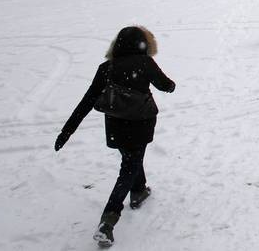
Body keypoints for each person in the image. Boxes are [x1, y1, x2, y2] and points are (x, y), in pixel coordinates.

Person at [55, 26, 176, 247]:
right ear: (143, 44)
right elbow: (166, 85)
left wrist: (67, 131)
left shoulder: (106, 69)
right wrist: (170, 85)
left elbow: (86, 102)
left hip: (116, 127)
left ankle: (138, 191)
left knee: (131, 159)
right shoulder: (145, 63)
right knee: (130, 165)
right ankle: (108, 220)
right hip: (140, 124)